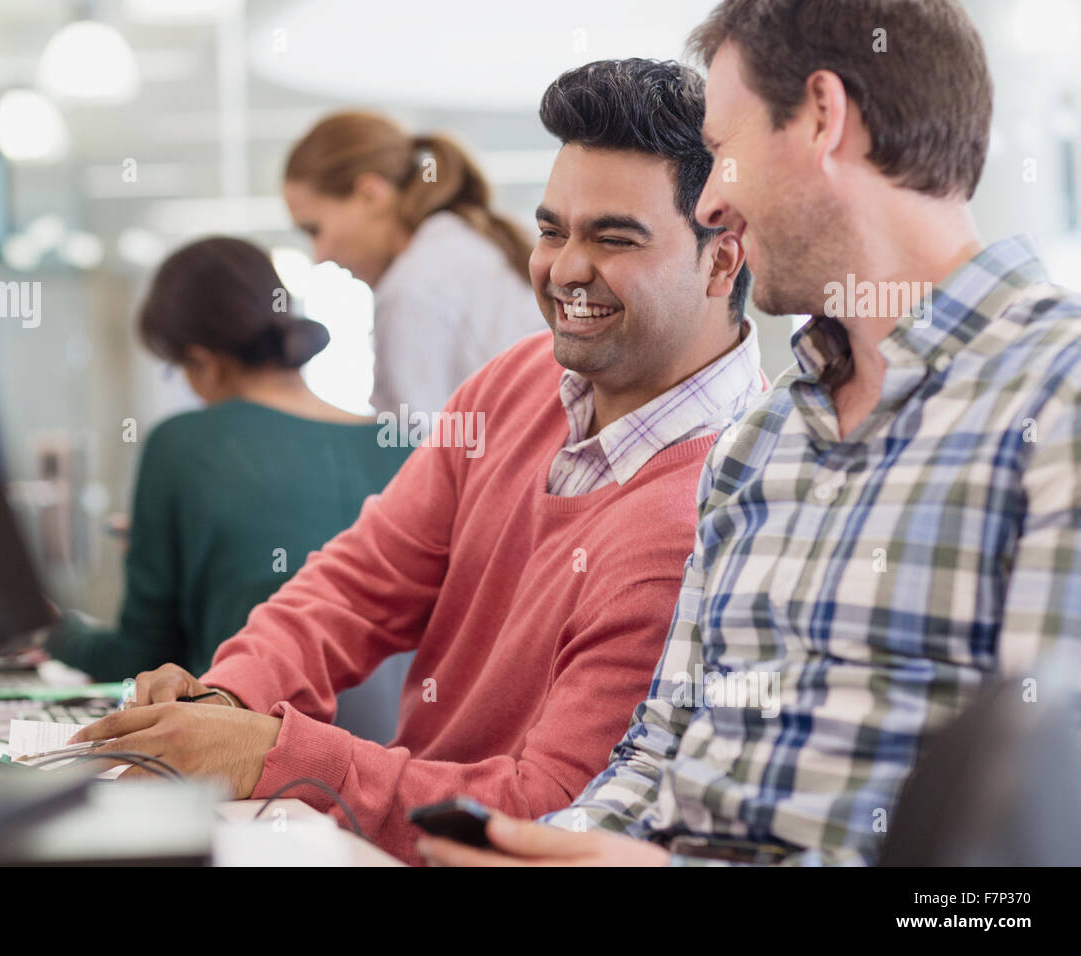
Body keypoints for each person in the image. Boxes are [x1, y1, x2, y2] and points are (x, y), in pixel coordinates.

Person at [420, 0, 1081, 868]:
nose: (714, 198)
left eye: (723, 150)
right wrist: (542, 850)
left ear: (821, 118)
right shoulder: (759, 441)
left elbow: (1015, 872)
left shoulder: (1057, 401)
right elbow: (656, 756)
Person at [72, 58, 763, 865]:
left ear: (722, 259)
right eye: (552, 230)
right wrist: (231, 695)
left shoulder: (714, 504)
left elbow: (546, 816)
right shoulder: (515, 383)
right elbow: (359, 585)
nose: (566, 269)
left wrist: (268, 753)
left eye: (613, 238)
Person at [43, 237, 412, 741]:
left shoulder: (181, 444)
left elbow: (139, 658)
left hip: (244, 761)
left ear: (204, 362)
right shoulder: (405, 446)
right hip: (392, 768)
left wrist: (51, 632)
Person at [282, 111, 542, 415]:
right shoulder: (466, 240)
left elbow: (412, 448)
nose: (319, 255)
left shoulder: (411, 289)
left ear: (370, 195)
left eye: (314, 230)